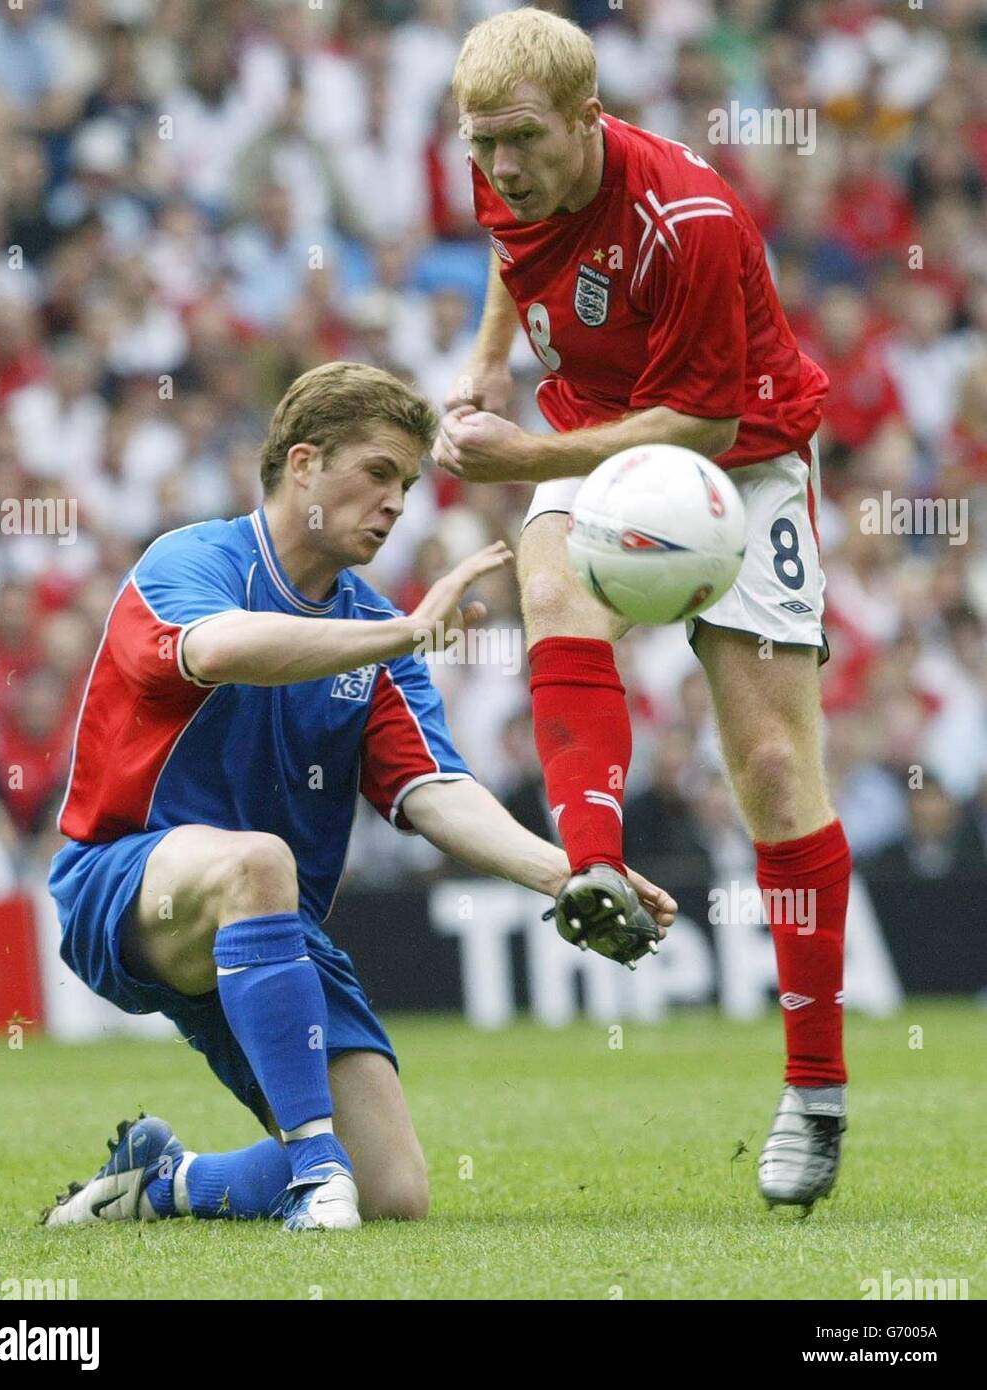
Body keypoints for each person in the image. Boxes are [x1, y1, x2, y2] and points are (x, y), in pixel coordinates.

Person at [41, 361, 675, 1233]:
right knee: (256, 861)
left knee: (395, 1194)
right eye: (377, 473)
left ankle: (159, 1182)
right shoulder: (193, 560)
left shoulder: (375, 634)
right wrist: (405, 630)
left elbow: (431, 790)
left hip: (269, 926)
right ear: (303, 464)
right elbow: (220, 649)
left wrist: (571, 873)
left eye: (408, 485)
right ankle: (312, 1174)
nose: (395, 503)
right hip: (122, 888)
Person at [433, 8, 849, 1210]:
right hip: (597, 445)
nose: (500, 167)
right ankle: (595, 870)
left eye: (520, 140)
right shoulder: (502, 167)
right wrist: (489, 358)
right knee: (549, 581)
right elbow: (519, 258)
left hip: (741, 456)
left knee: (771, 765)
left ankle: (814, 1089)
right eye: (481, 144)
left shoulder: (692, 224)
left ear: (586, 117)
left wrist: (514, 463)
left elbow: (705, 428)